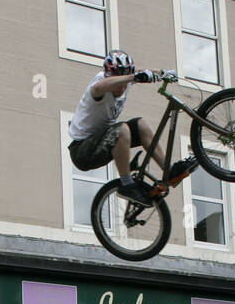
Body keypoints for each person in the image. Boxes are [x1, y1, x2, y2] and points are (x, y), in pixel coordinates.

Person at [67, 49, 195, 207]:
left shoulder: (127, 80)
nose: (122, 89)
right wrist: (130, 77)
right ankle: (126, 185)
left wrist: (162, 73)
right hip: (82, 152)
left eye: (125, 83)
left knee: (140, 124)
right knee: (122, 129)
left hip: (104, 141)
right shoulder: (100, 84)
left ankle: (168, 170)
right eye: (120, 83)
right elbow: (99, 87)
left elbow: (141, 72)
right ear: (110, 76)